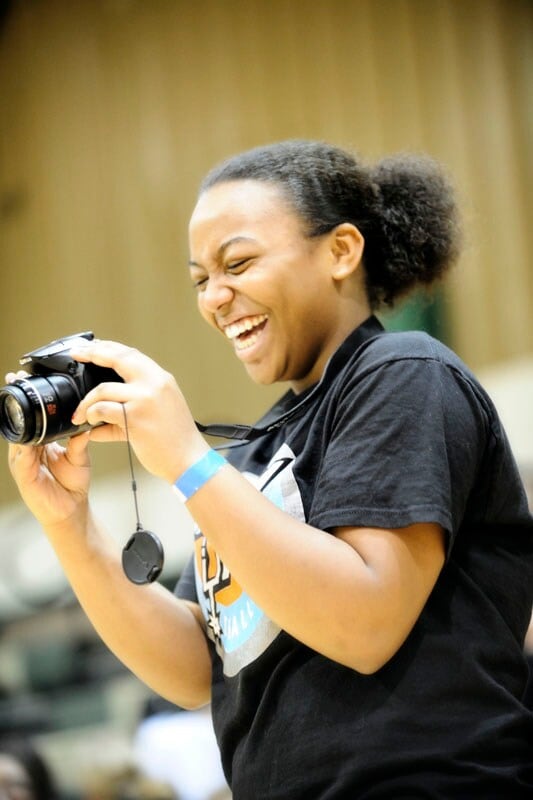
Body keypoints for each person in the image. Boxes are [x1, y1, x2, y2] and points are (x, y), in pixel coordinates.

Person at [6, 140, 533, 798]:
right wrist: (70, 526)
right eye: (200, 278)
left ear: (341, 251)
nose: (215, 298)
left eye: (238, 263)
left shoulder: (403, 373)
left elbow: (364, 623)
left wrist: (185, 460)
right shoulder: (256, 447)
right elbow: (198, 668)